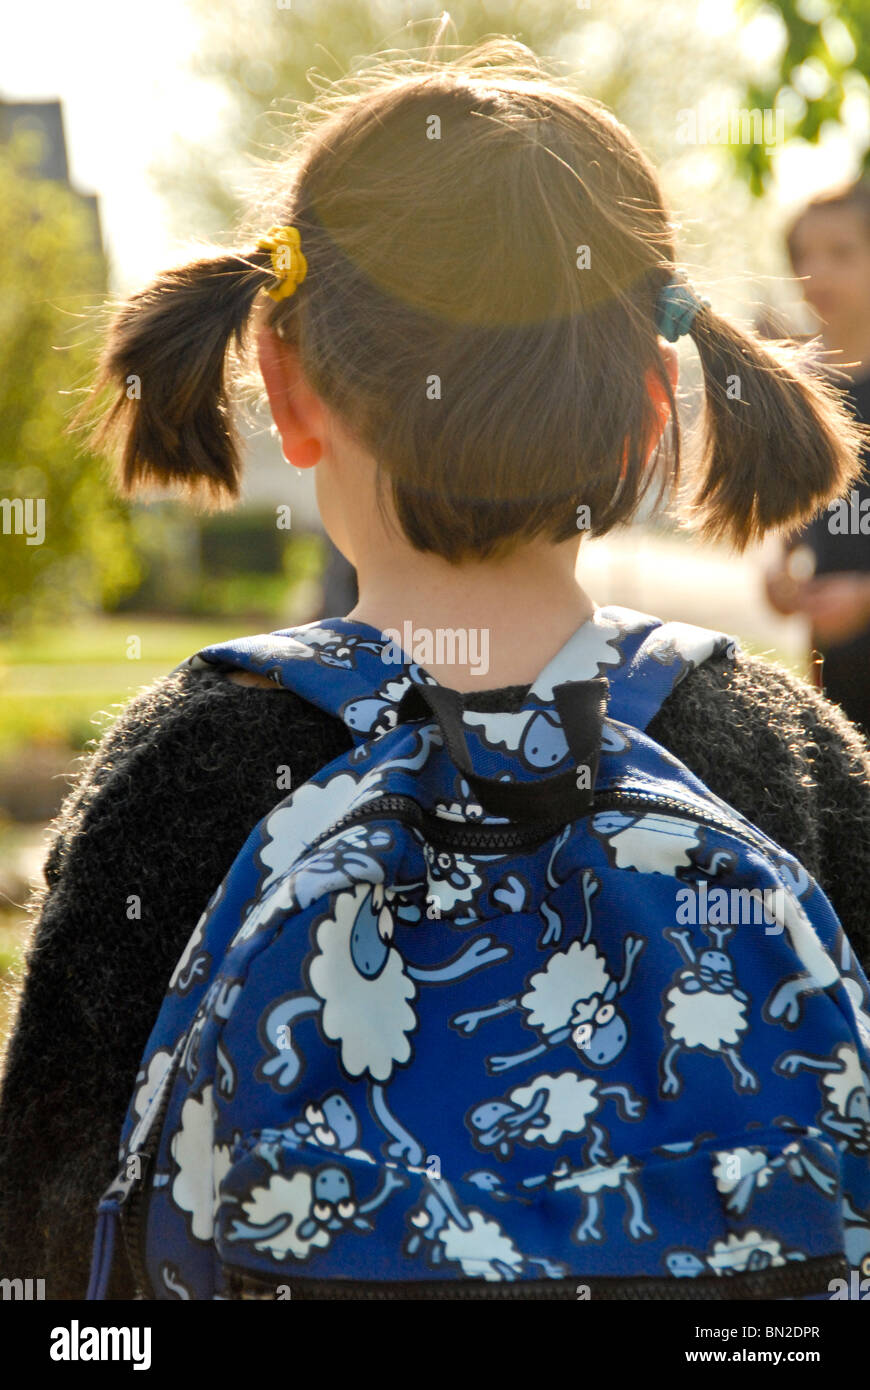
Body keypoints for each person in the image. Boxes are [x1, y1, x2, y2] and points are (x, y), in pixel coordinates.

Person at [2, 38, 870, 1301]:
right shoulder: (778, 757)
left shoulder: (194, 761)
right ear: (647, 408)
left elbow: (47, 1218)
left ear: (285, 389)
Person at [765, 182, 870, 733]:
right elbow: (798, 510)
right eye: (804, 256)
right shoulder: (801, 390)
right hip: (834, 676)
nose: (817, 274)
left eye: (841, 253)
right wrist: (779, 568)